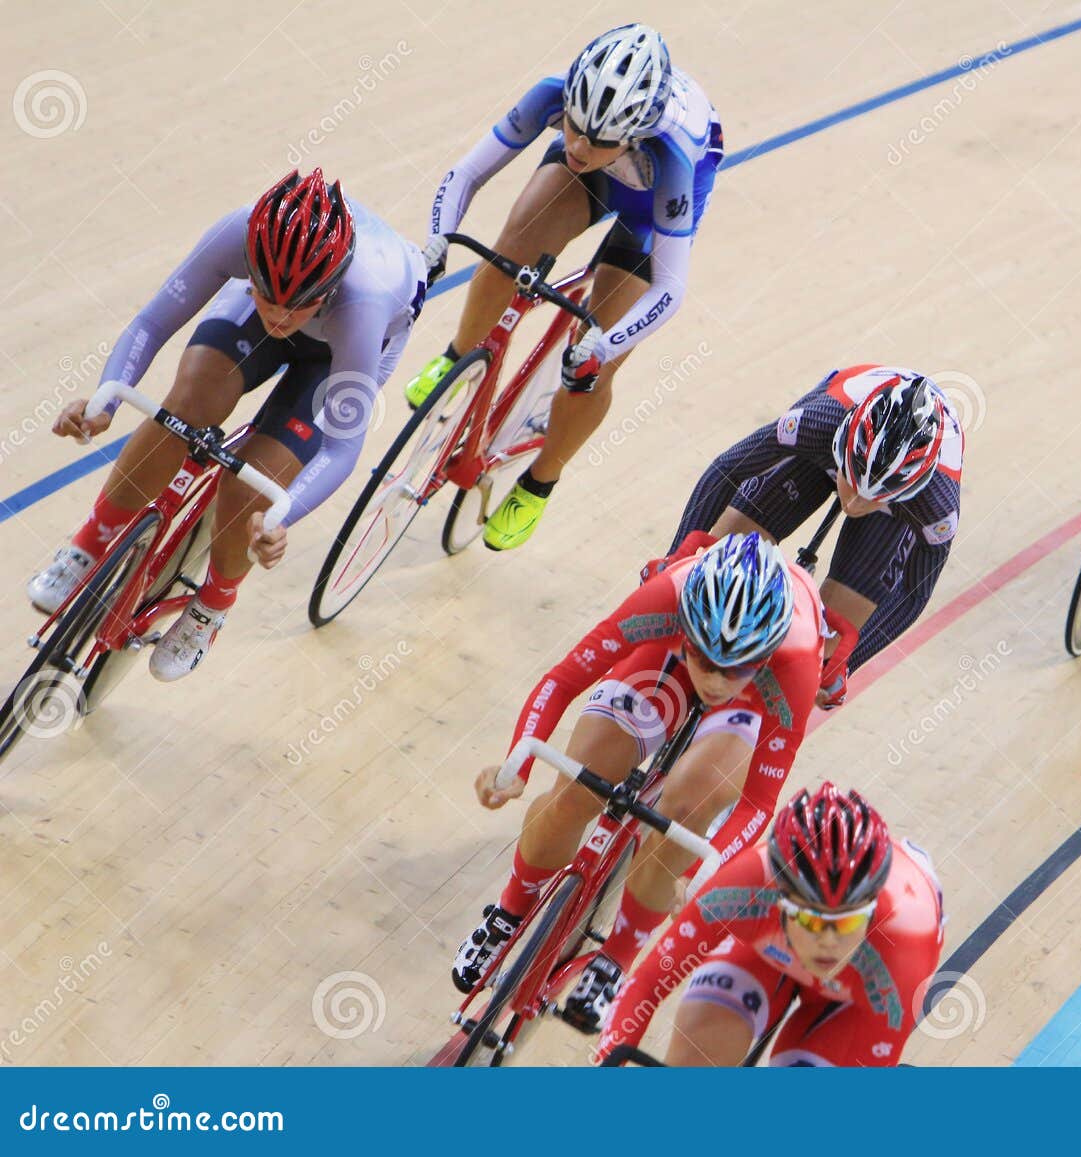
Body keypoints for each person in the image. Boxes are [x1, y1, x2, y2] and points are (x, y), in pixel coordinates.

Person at [26, 169, 426, 679]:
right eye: (266, 296)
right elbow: (152, 323)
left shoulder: (364, 304)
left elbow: (341, 450)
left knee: (252, 485)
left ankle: (212, 605)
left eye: (295, 306)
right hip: (284, 306)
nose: (279, 316)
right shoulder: (238, 233)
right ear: (251, 267)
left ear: (325, 291)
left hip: (340, 350)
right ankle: (90, 541)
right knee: (188, 402)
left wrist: (281, 517)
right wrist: (105, 400)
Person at [454, 533, 824, 1032]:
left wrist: (702, 875)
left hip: (753, 701)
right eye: (705, 659)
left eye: (735, 667)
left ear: (762, 656)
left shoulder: (796, 661)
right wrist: (515, 769)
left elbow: (757, 803)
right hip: (666, 657)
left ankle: (617, 959)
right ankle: (510, 910)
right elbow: (562, 680)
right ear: (686, 626)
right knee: (575, 791)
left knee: (686, 818)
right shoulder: (666, 598)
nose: (715, 680)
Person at [411, 23, 723, 551]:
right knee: (512, 248)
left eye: (597, 140)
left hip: (652, 210)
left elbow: (670, 288)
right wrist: (436, 242)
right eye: (574, 127)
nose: (578, 145)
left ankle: (539, 481)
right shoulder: (552, 94)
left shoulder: (672, 156)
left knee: (591, 369)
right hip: (596, 179)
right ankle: (458, 356)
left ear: (633, 134)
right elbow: (466, 174)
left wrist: (604, 347)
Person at [647, 365, 964, 712]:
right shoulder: (817, 422)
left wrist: (845, 663)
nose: (855, 503)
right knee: (710, 568)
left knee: (820, 652)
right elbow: (727, 470)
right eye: (851, 482)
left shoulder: (936, 505)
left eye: (873, 498)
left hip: (891, 510)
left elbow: (912, 593)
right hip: (819, 456)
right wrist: (676, 558)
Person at [597, 783, 944, 1066]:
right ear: (779, 899)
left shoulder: (906, 943)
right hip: (765, 953)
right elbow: (647, 985)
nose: (828, 941)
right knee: (695, 1056)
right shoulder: (742, 889)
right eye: (810, 919)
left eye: (847, 922)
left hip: (856, 999)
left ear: (871, 912)